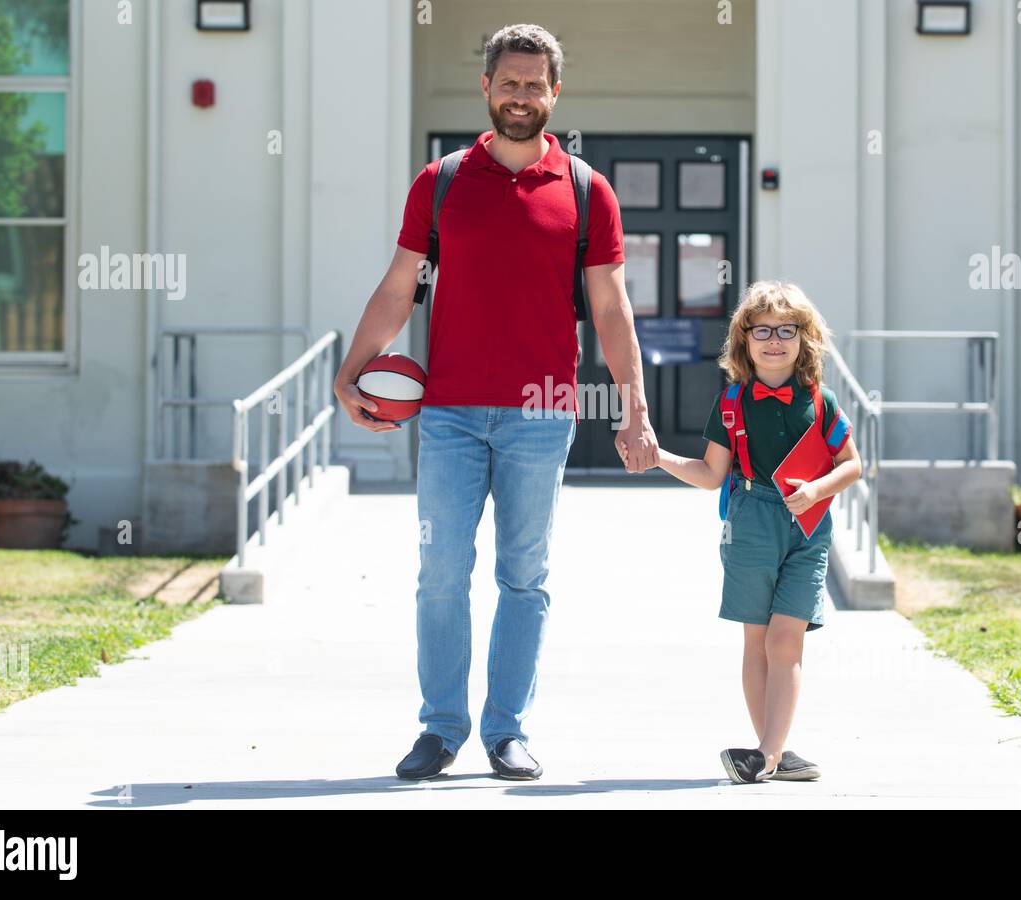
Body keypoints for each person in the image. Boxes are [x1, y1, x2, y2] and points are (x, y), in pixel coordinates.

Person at [332, 23, 659, 782]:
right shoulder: (441, 181)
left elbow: (610, 308)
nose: (520, 96)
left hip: (543, 413)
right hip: (445, 411)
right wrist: (352, 371)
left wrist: (633, 405)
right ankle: (439, 729)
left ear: (554, 93)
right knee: (440, 573)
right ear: (486, 88)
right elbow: (397, 285)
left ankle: (506, 730)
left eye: (534, 84)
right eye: (508, 83)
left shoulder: (585, 190)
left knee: (524, 575)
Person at [645, 280, 861, 784]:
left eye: (787, 330)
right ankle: (773, 750)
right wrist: (659, 457)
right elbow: (710, 475)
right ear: (743, 341)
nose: (774, 340)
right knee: (758, 640)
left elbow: (852, 466)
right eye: (761, 330)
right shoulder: (732, 402)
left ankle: (764, 754)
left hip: (808, 527)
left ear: (804, 339)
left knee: (788, 640)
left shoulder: (820, 400)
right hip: (751, 523)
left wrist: (817, 488)